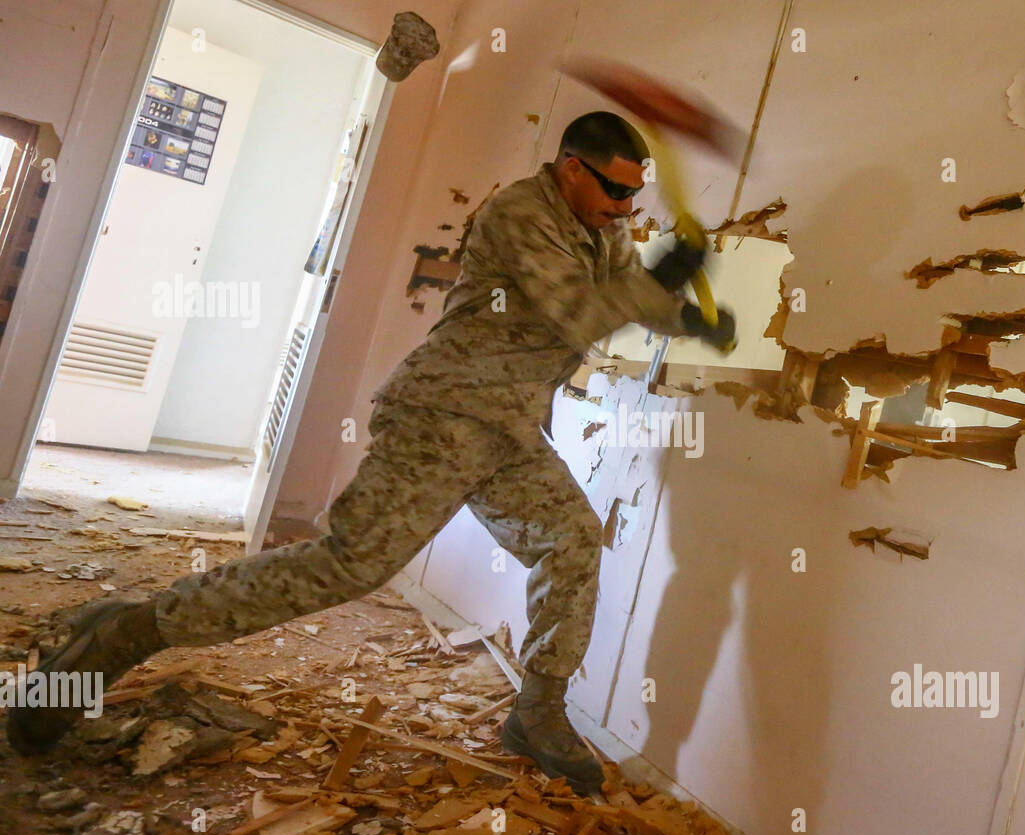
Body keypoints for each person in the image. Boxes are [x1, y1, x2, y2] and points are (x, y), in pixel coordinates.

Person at [6, 111, 736, 795]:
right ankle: (127, 633)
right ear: (571, 168)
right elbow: (582, 309)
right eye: (613, 189)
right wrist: (664, 278)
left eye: (631, 195)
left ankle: (538, 711)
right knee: (350, 565)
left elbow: (618, 294)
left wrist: (693, 319)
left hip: (509, 426)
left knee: (572, 540)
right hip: (443, 414)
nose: (622, 207)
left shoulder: (599, 228)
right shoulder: (521, 212)